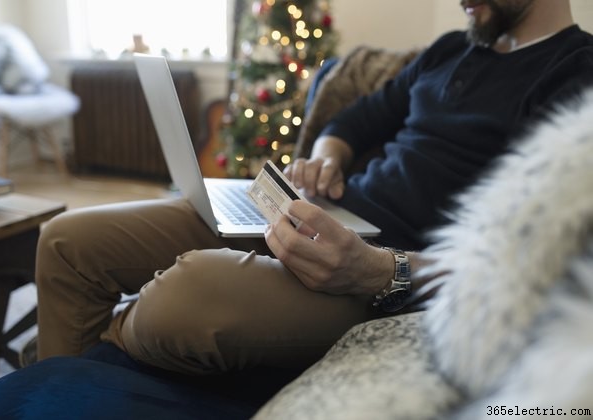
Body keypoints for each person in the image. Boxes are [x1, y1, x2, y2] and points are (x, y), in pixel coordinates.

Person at [35, 0, 593, 376]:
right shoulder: (450, 51)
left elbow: (539, 260)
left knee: (186, 297)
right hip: (324, 216)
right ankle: (58, 394)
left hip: (381, 276)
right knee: (67, 240)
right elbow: (351, 124)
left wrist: (376, 268)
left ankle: (86, 367)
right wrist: (325, 159)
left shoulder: (576, 75)